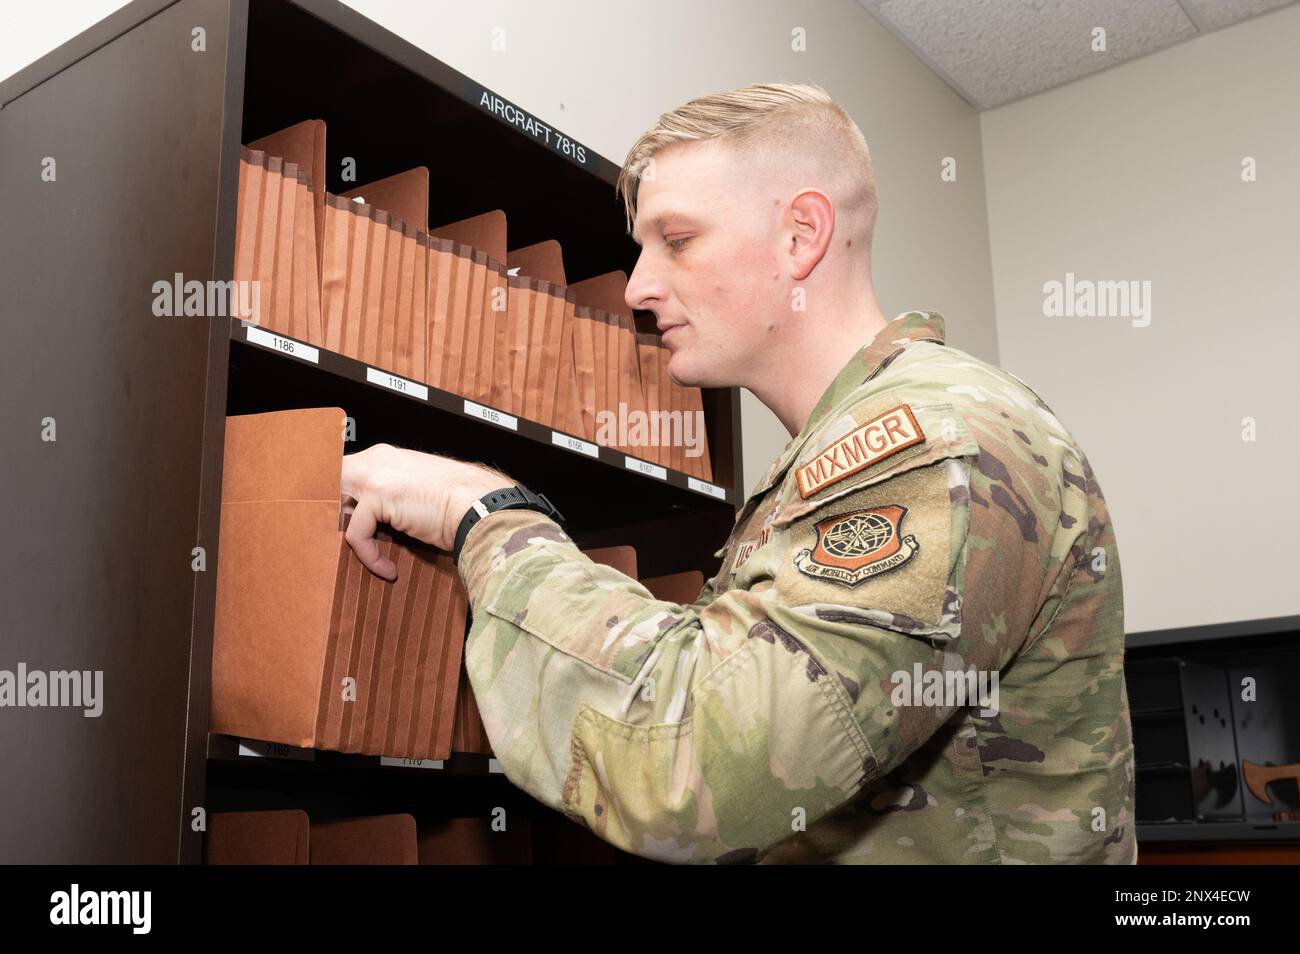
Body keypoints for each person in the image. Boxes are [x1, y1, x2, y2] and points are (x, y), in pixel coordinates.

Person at [340, 82, 1136, 864]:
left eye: (677, 240)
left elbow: (697, 767)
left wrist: (482, 511)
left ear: (801, 236)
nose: (638, 286)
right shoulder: (837, 451)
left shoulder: (932, 441)